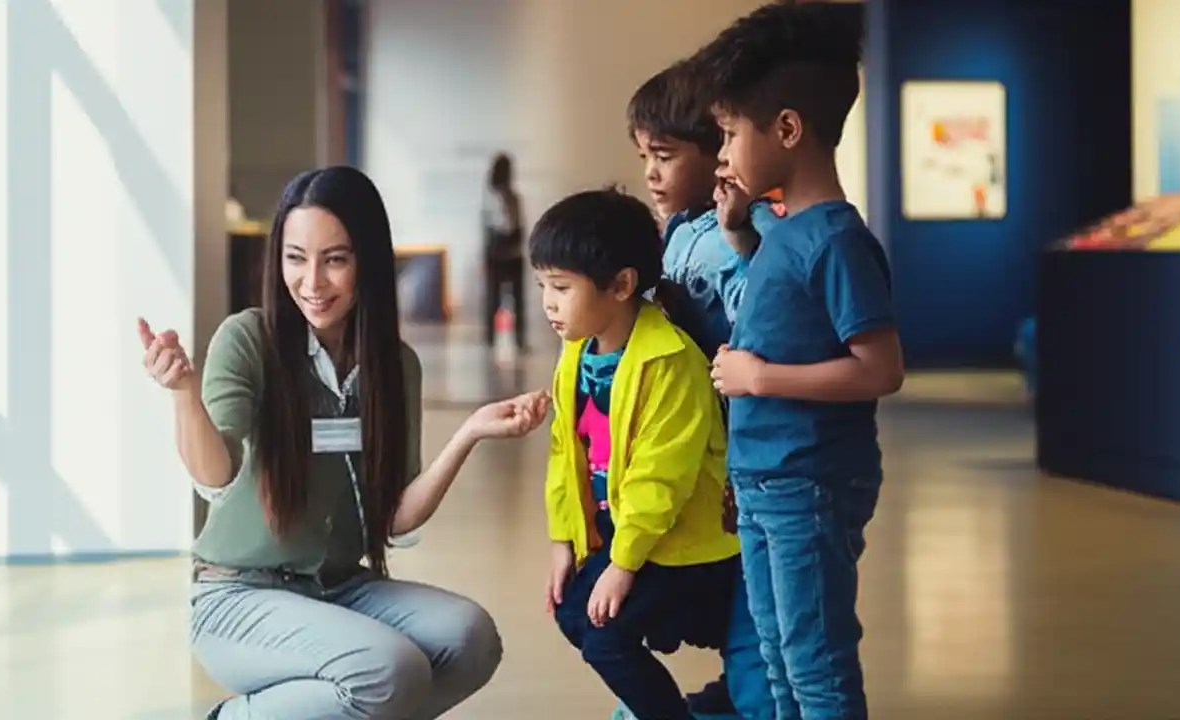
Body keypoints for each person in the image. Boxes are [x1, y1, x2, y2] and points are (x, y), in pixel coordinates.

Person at [138, 166, 550, 720]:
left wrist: (469, 432)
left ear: (368, 262)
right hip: (238, 597)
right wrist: (183, 391)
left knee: (471, 638)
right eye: (295, 258)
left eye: (334, 259)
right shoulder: (248, 340)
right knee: (389, 670)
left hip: (338, 588)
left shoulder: (393, 365)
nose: (312, 282)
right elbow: (217, 476)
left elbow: (394, 517)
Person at [696, 4, 905, 719]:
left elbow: (880, 368)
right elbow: (786, 294)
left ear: (787, 129)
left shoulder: (838, 240)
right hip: (764, 479)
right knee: (781, 661)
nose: (720, 156)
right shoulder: (784, 229)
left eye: (729, 136)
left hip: (806, 483)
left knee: (815, 667)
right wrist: (738, 231)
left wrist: (761, 379)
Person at [535, 188, 742, 720]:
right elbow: (565, 452)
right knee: (572, 613)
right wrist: (564, 540)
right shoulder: (577, 352)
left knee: (605, 637)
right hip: (633, 536)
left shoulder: (670, 361)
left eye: (561, 287)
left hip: (681, 549)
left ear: (622, 285)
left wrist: (622, 567)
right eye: (543, 287)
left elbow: (660, 479)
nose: (548, 304)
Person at [622, 60, 788, 720]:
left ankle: (750, 700)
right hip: (696, 454)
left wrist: (737, 239)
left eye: (664, 155)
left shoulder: (734, 236)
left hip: (741, 459)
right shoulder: (675, 234)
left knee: (753, 612)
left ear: (716, 152)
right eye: (644, 156)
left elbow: (764, 320)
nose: (651, 174)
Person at [482, 152, 528, 349]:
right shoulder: (492, 198)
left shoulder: (513, 197)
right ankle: (490, 339)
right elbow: (491, 228)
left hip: (511, 252)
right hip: (499, 252)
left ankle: (519, 339)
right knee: (494, 297)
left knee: (517, 298)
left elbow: (518, 225)